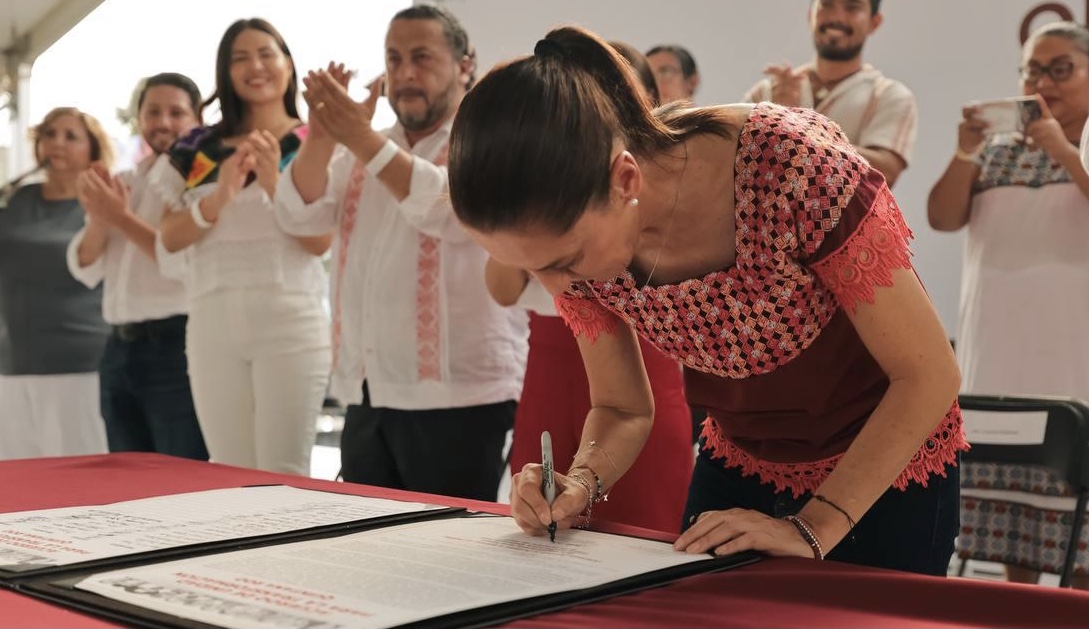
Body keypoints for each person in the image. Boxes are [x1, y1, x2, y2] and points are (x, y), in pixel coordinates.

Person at [448, 25, 966, 576]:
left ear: (624, 179)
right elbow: (622, 406)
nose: (556, 285)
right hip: (741, 461)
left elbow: (928, 374)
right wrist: (579, 482)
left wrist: (815, 525)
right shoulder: (582, 243)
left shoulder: (792, 168)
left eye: (563, 261)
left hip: (885, 472)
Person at [274, 4, 528, 501]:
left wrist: (360, 138)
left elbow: (452, 210)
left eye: (421, 57)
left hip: (460, 396)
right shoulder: (363, 146)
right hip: (368, 391)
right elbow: (298, 217)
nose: (405, 74)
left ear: (464, 64)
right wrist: (323, 139)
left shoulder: (489, 138)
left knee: (450, 558)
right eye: (393, 59)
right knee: (370, 557)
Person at [486, 40, 691, 533]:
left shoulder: (674, 207)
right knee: (545, 521)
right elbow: (502, 287)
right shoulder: (552, 240)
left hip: (648, 351)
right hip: (553, 352)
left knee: (647, 526)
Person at [927, 21, 1089, 588]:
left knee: (1080, 546)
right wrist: (964, 149)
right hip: (994, 370)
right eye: (1032, 69)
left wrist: (1066, 152)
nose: (1044, 81)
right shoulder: (995, 151)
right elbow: (941, 218)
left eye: (1061, 68)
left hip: (1076, 376)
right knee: (1009, 534)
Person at [155, 18, 332, 475]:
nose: (255, 66)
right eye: (240, 58)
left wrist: (275, 183)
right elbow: (168, 237)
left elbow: (320, 241)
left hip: (292, 322)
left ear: (288, 64)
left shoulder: (313, 139)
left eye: (265, 54)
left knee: (285, 471)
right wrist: (219, 197)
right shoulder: (197, 146)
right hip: (212, 323)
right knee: (228, 472)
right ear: (225, 72)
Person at [67, 73, 208, 461]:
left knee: (183, 473)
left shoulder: (202, 183)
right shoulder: (124, 181)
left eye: (176, 112)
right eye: (153, 112)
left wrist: (120, 216)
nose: (163, 122)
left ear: (197, 119)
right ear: (139, 119)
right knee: (125, 478)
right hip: (116, 349)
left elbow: (181, 264)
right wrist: (100, 218)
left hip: (175, 348)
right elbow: (83, 266)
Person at [0, 108, 114, 459]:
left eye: (70, 136)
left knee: (79, 475)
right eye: (49, 134)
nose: (56, 143)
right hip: (12, 363)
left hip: (80, 363)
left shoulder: (104, 204)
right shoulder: (16, 200)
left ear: (93, 149)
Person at [742, 0, 916, 187]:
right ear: (811, 14)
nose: (836, 17)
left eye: (852, 7)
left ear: (874, 22)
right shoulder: (767, 92)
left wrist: (786, 122)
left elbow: (883, 174)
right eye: (826, 4)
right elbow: (732, 165)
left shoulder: (889, 96)